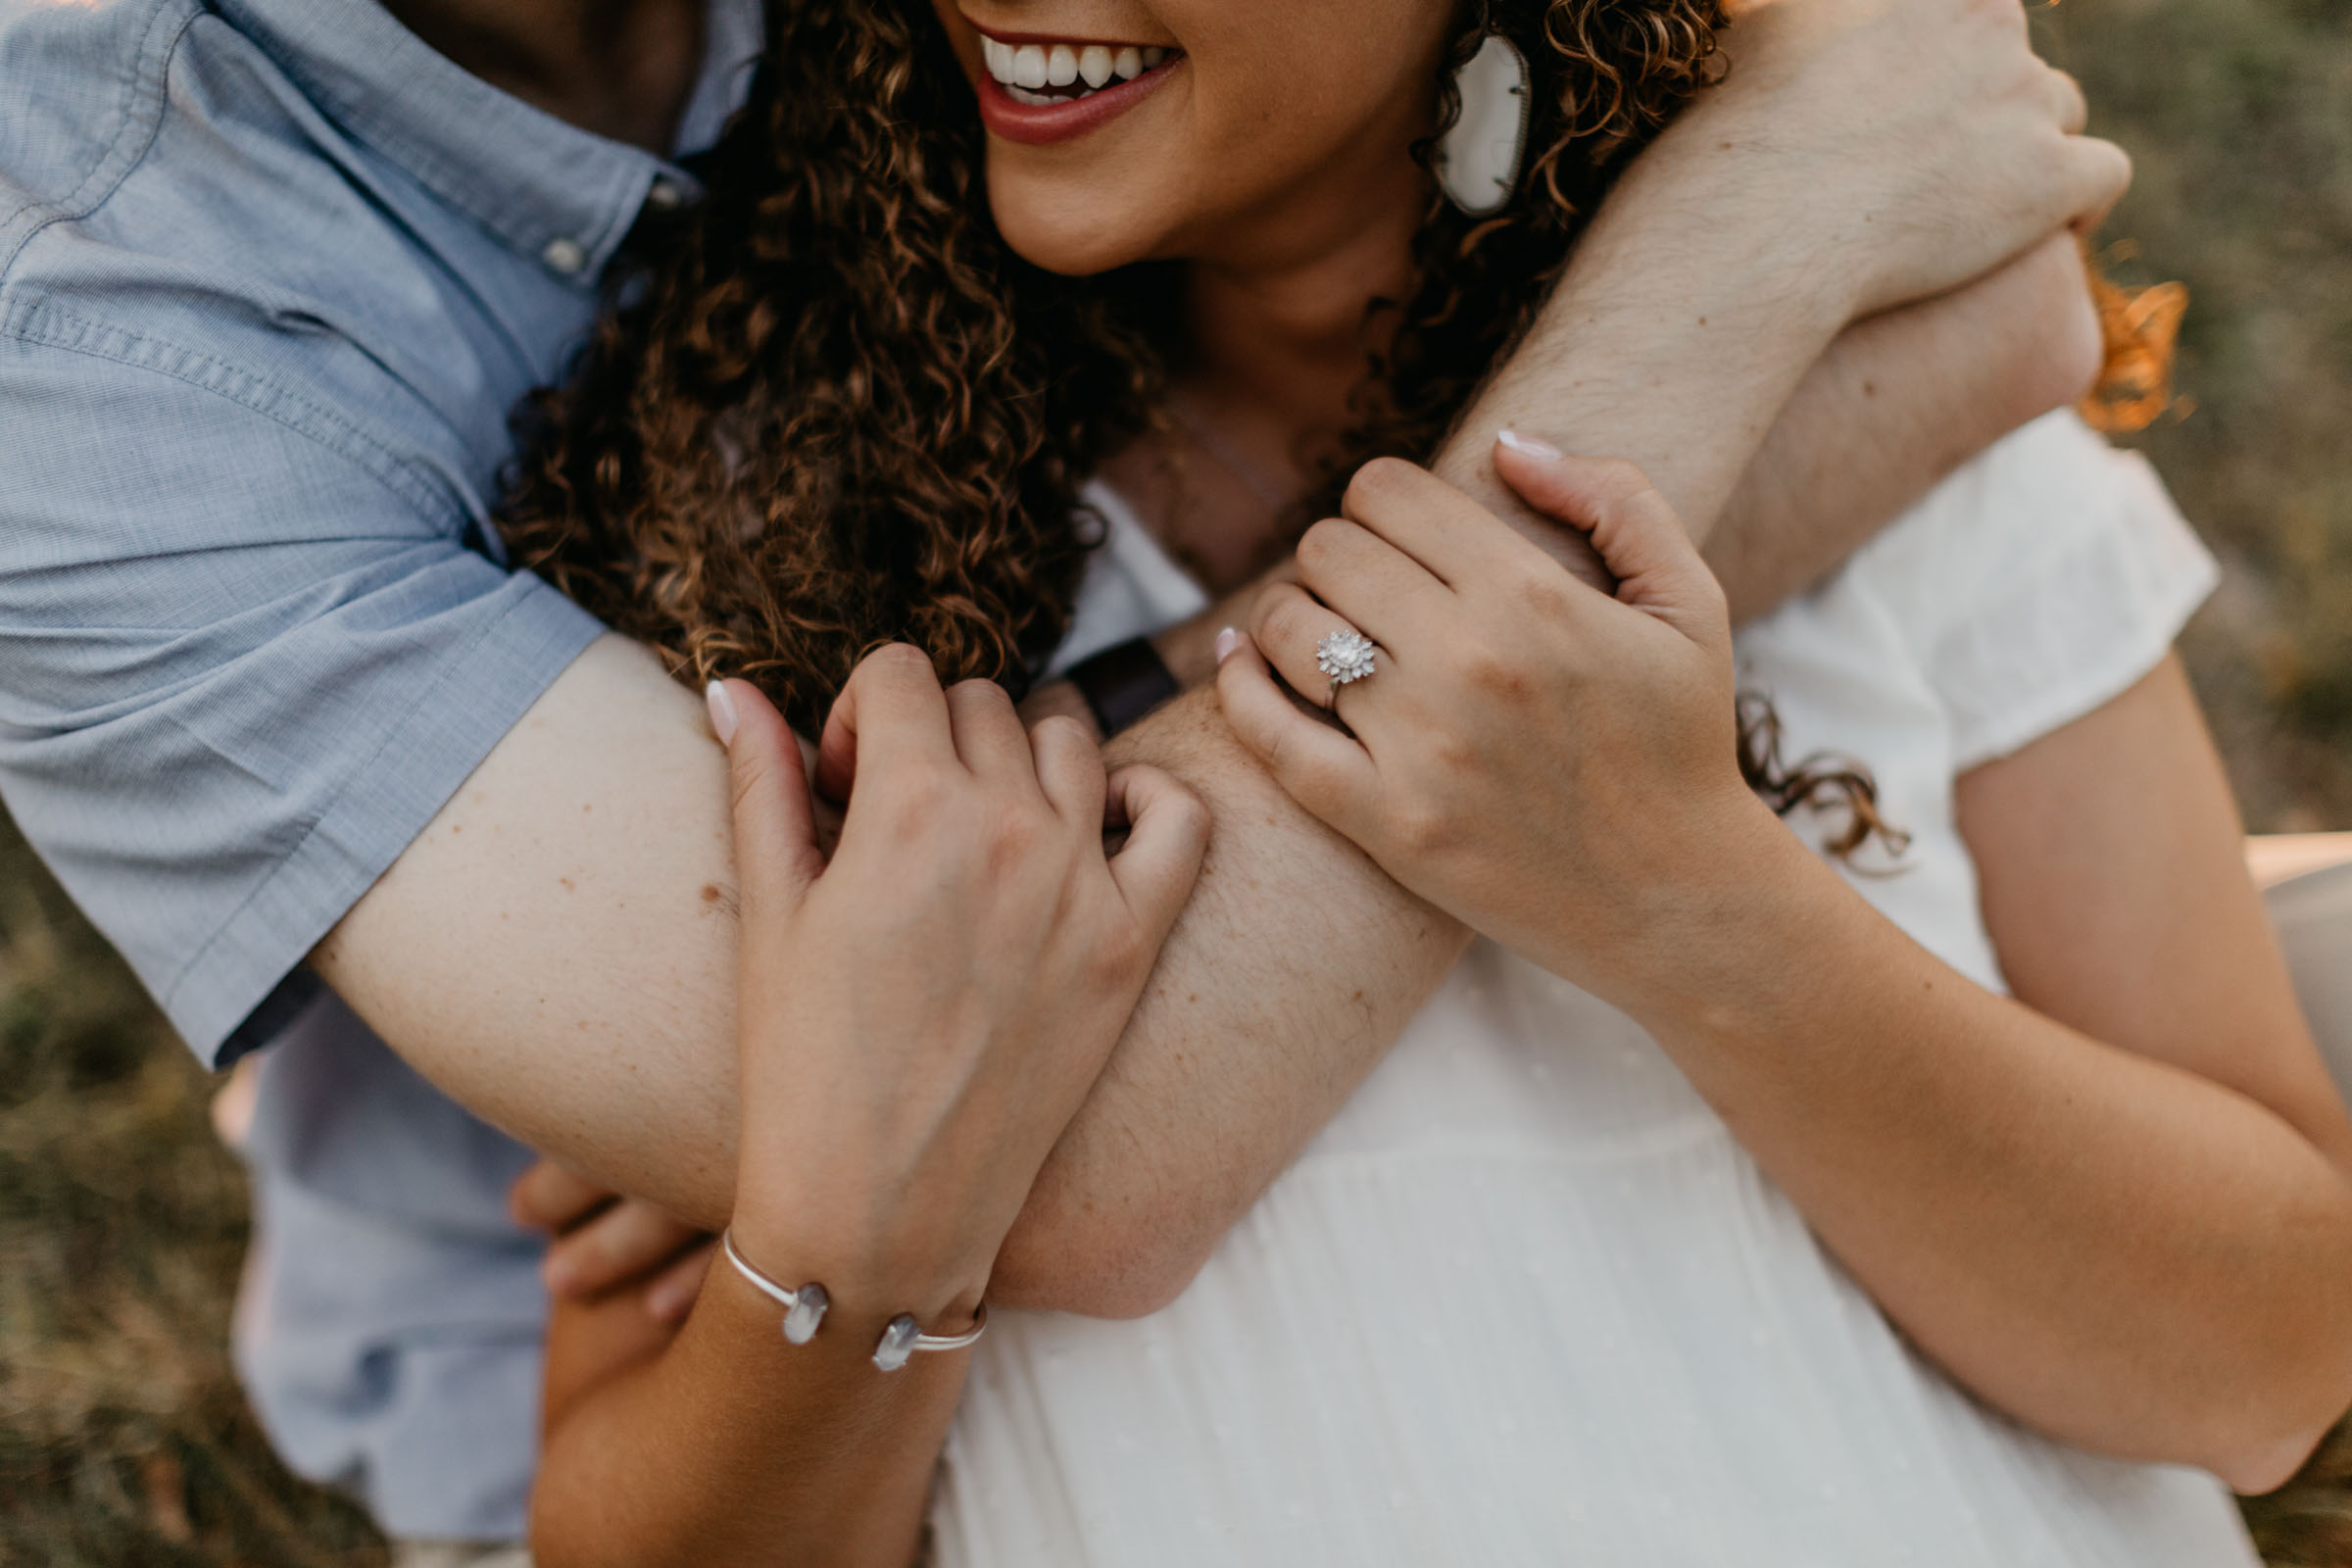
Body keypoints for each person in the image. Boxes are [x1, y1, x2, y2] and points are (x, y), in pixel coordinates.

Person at [0, 0, 2115, 1554]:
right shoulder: (76, 338)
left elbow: (2023, 281)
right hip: (737, 1366)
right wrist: (1752, 245)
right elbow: (1049, 1123)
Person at [494, 0, 2352, 1563]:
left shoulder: (1876, 413)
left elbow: (2277, 1360)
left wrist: (1683, 899)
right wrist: (845, 1225)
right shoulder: (781, 557)